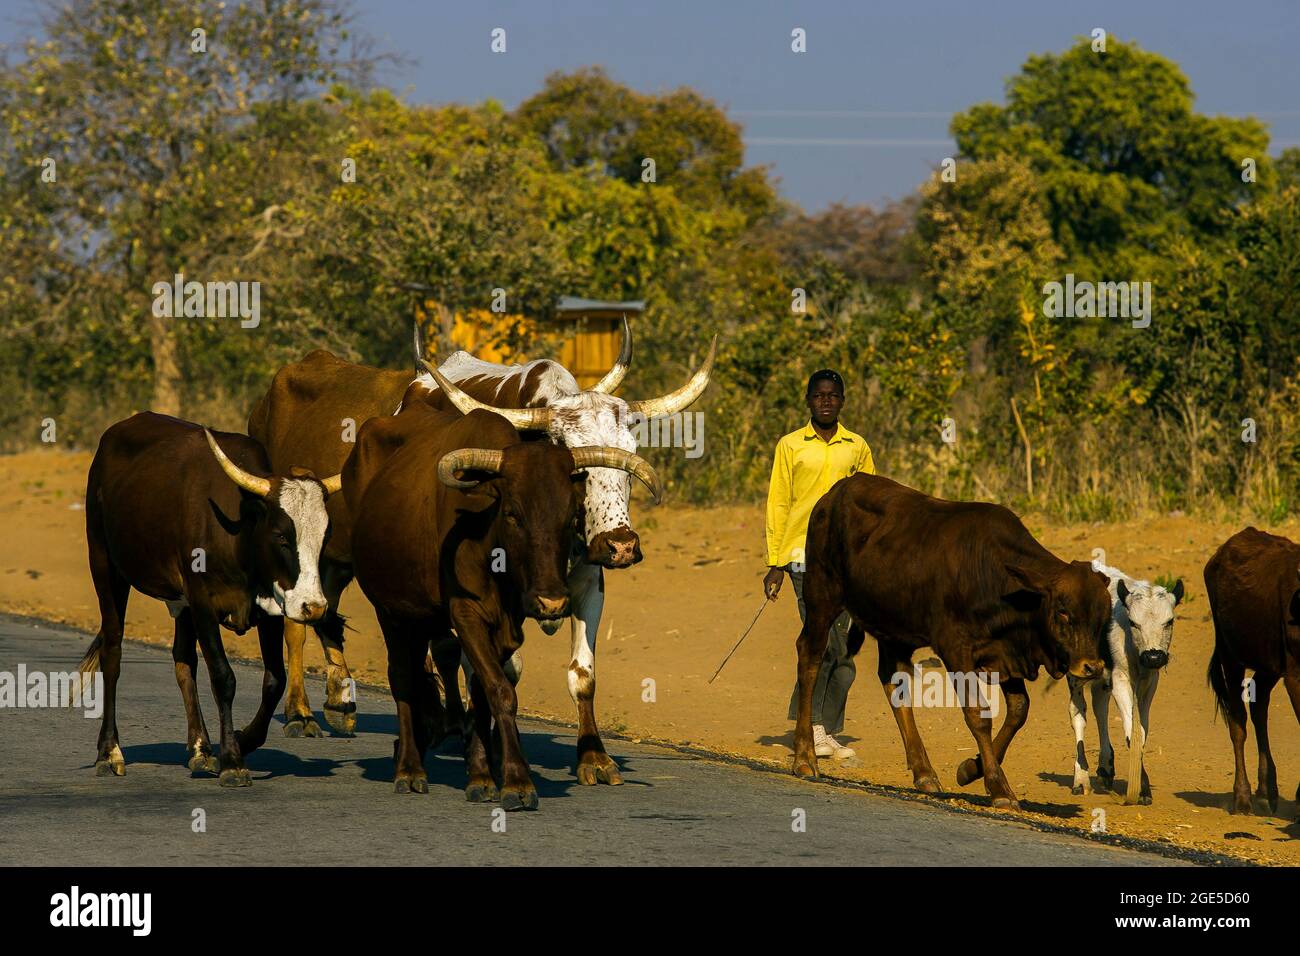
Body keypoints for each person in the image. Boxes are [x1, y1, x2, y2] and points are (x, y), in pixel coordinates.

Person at [764, 369, 874, 760]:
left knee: (843, 650)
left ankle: (820, 725)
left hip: (846, 560)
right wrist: (775, 562)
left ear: (842, 401)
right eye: (818, 395)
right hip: (801, 557)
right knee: (822, 640)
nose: (825, 401)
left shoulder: (856, 446)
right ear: (808, 401)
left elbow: (871, 503)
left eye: (833, 395)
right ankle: (813, 728)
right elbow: (779, 502)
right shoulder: (790, 446)